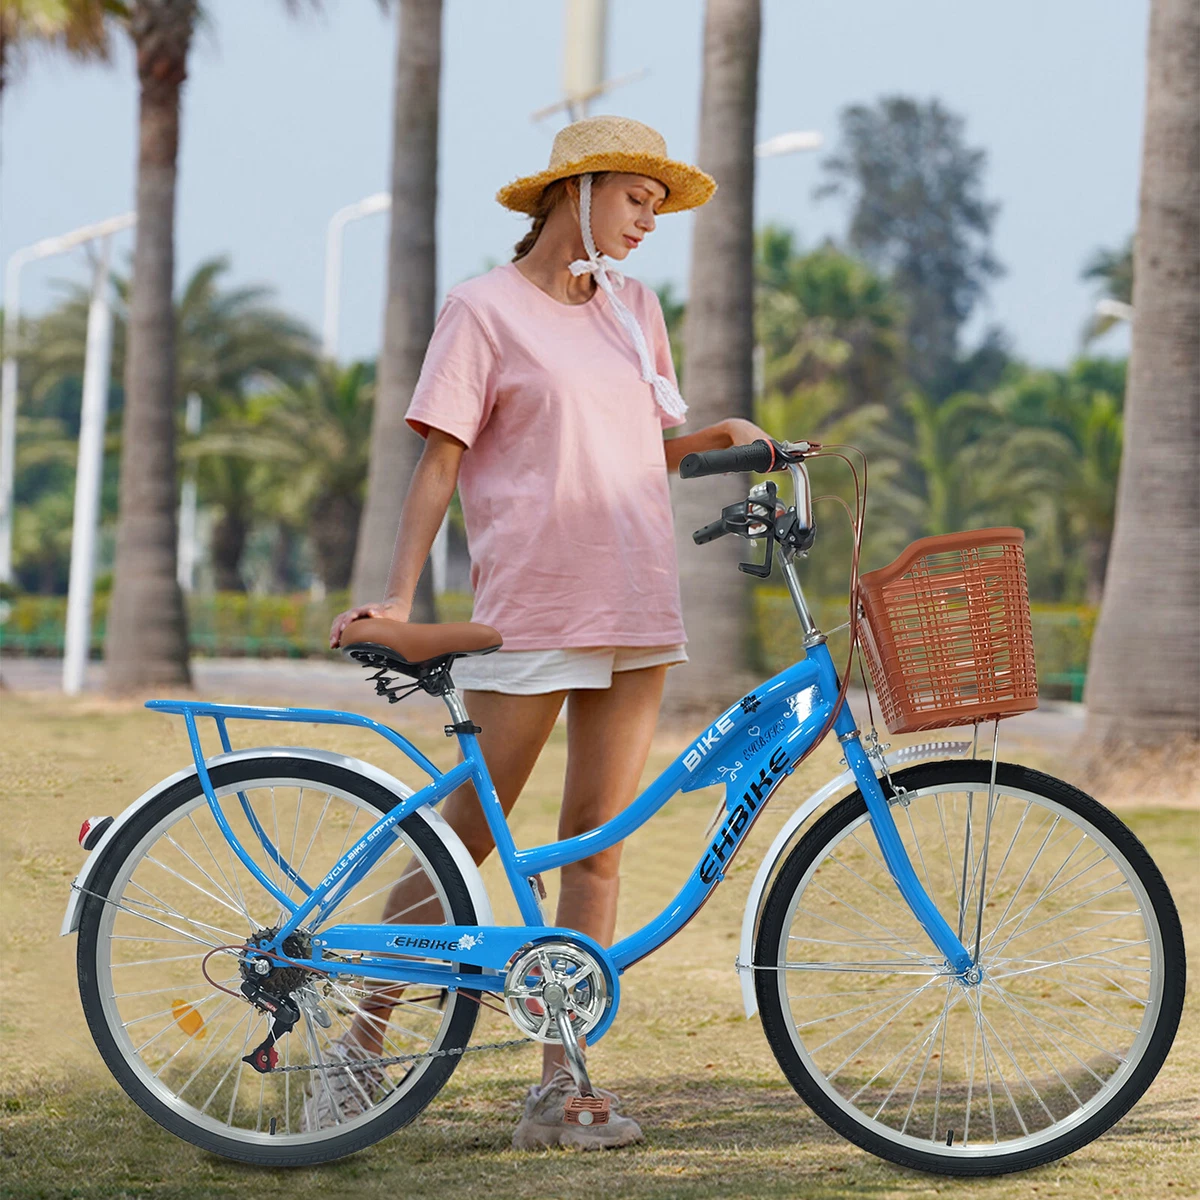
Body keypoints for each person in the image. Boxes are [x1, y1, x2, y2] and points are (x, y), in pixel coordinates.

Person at [321, 115, 772, 1150]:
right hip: (533, 602)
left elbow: (644, 443)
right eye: (635, 200)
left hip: (636, 600)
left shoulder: (634, 309)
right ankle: (360, 1034)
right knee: (471, 834)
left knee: (599, 847)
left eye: (657, 208)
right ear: (576, 191)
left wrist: (726, 437)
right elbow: (440, 457)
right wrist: (396, 595)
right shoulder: (482, 310)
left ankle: (560, 1085)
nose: (648, 223)